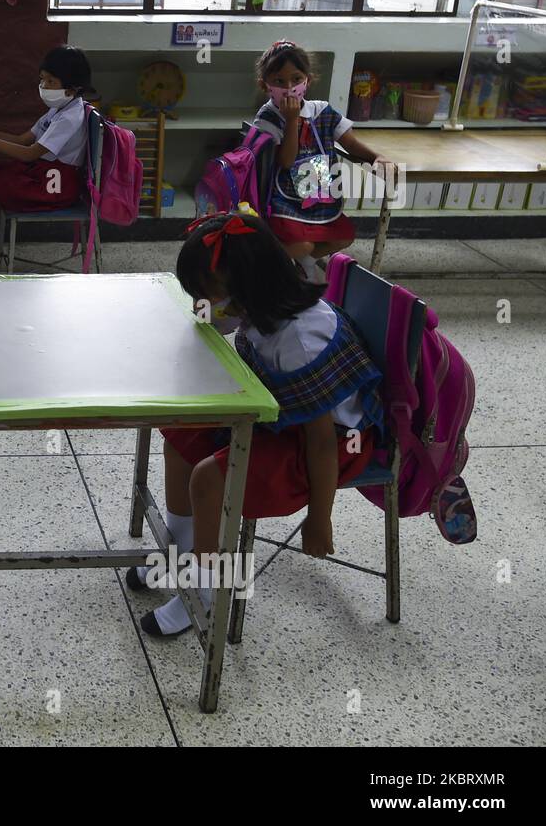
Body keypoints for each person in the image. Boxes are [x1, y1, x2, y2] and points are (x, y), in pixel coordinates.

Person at [134, 212, 385, 637]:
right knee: (179, 431)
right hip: (283, 416)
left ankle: (209, 589)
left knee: (210, 479)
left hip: (335, 447)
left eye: (209, 294)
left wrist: (320, 517)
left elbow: (321, 444)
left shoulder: (299, 341)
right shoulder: (263, 308)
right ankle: (181, 547)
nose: (204, 304)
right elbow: (217, 326)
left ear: (249, 289)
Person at [251, 39, 392, 282]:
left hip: (317, 194)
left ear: (308, 80)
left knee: (342, 237)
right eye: (279, 81)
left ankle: (304, 263)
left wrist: (375, 157)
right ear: (265, 86)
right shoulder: (267, 117)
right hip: (282, 199)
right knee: (302, 246)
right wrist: (292, 120)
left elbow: (349, 143)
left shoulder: (321, 111)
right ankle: (269, 266)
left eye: (296, 79)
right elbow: (285, 161)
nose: (289, 87)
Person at [0, 45, 93, 266]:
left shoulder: (70, 118)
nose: (43, 86)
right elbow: (23, 139)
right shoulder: (59, 108)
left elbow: (29, 154)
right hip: (41, 174)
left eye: (51, 82)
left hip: (54, 186)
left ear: (72, 88)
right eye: (42, 80)